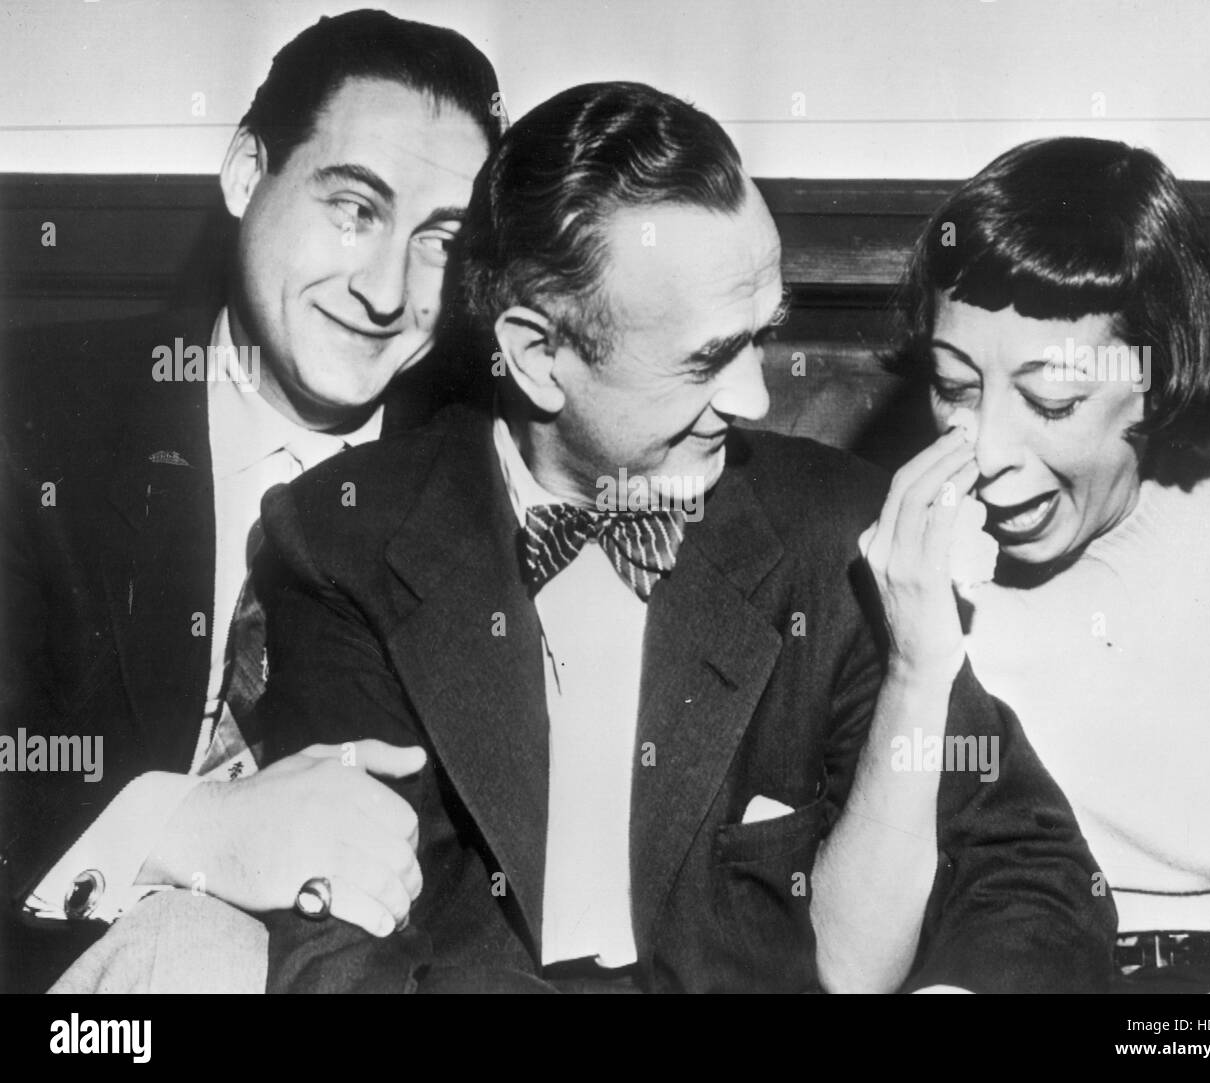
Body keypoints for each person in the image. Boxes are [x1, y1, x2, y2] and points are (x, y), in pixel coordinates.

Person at [251, 82, 1115, 994]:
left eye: (759, 338)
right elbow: (341, 947)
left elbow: (1030, 868)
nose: (754, 398)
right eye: (707, 359)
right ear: (539, 356)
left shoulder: (836, 532)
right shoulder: (341, 540)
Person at [0, 9, 501, 992]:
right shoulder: (32, 415)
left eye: (440, 241)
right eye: (354, 208)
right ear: (244, 174)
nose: (387, 290)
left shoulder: (488, 479)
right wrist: (198, 830)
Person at [819, 136, 1210, 993]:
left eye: (1052, 400)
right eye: (954, 387)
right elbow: (848, 970)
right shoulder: (888, 558)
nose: (986, 450)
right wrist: (914, 666)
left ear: (1158, 374)